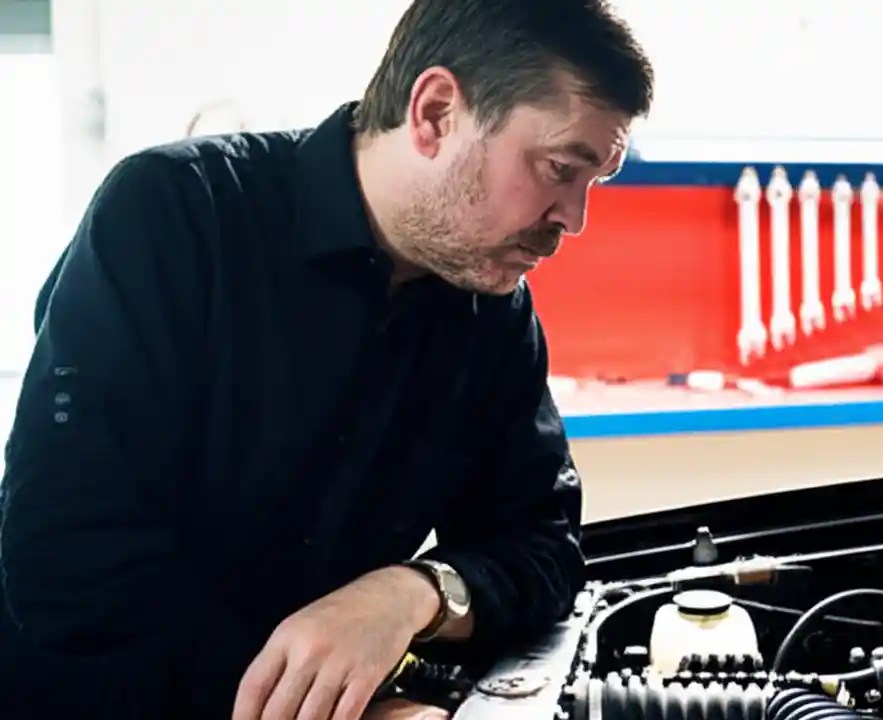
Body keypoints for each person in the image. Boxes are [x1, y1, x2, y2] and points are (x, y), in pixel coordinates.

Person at [0, 1, 653, 718]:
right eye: (561, 169)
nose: (575, 218)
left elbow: (546, 547)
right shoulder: (172, 216)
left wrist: (412, 594)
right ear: (435, 112)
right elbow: (69, 568)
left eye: (595, 183)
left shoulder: (490, 311)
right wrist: (371, 705)